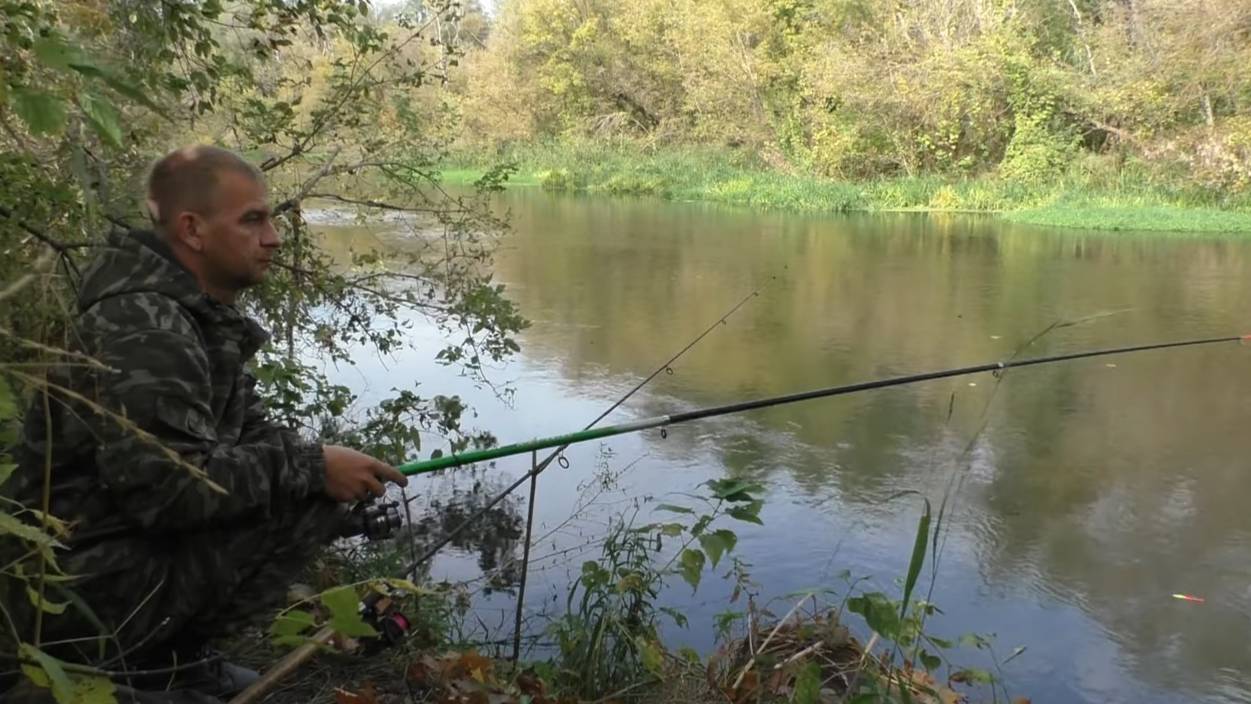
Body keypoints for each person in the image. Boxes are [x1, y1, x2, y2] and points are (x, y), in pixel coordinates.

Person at [0, 145, 407, 701]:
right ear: (192, 229)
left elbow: (252, 435)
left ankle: (176, 660)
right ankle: (112, 668)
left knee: (307, 492)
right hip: (70, 591)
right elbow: (168, 492)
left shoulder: (196, 317)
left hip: (113, 560)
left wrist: (331, 465)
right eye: (253, 220)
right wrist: (313, 467)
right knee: (305, 494)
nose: (274, 237)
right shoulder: (145, 326)